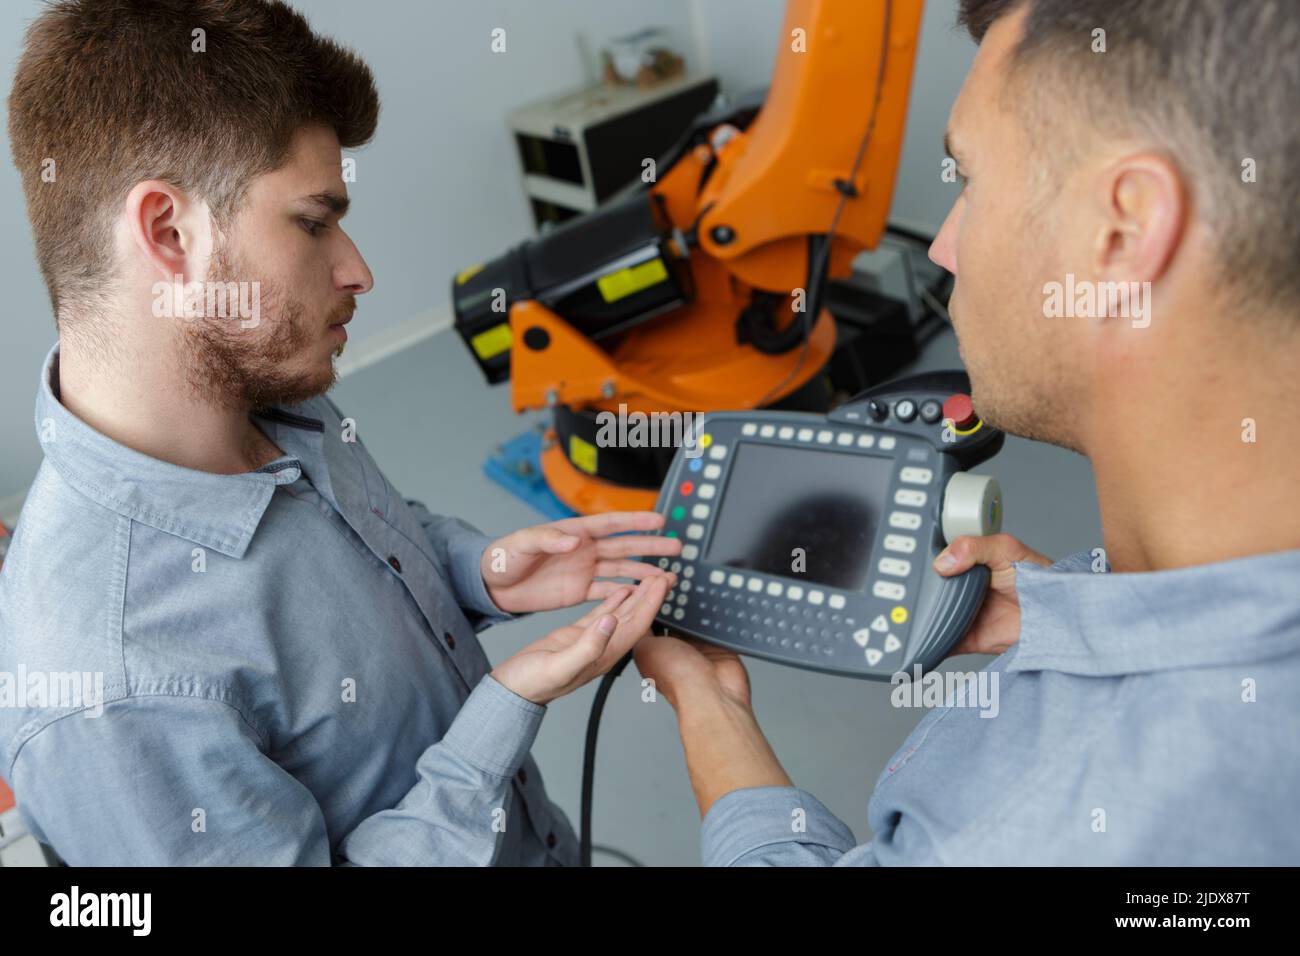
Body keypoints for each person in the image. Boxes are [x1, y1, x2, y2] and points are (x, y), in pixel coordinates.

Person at [0, 0, 678, 865]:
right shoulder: (111, 691)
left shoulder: (263, 388)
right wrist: (503, 709)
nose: (358, 269)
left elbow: (370, 542)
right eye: (314, 223)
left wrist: (485, 574)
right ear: (170, 233)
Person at [636, 0, 1300, 865]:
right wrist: (1084, 619)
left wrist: (707, 705)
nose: (944, 245)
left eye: (968, 180)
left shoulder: (1050, 832)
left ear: (1124, 231)